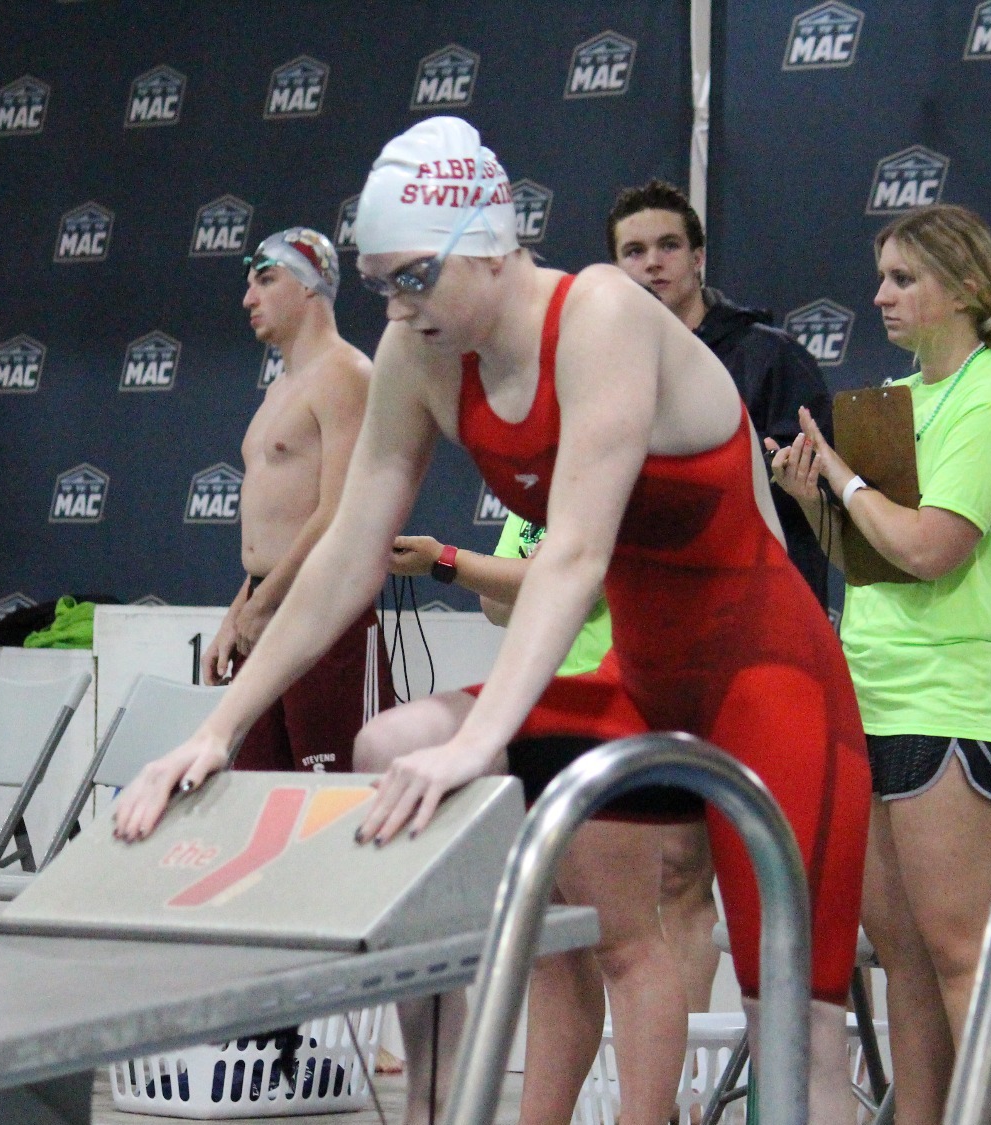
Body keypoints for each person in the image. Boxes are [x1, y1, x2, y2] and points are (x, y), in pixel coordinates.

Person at [115, 118, 870, 1125]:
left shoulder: (599, 313)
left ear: (487, 243)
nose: (397, 307)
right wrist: (216, 726)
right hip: (641, 687)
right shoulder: (419, 352)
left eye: (414, 278)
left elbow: (574, 553)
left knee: (797, 1039)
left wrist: (482, 739)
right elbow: (347, 554)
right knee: (391, 746)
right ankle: (439, 1098)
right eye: (380, 283)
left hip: (768, 684)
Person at [766, 203, 991, 1125]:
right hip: (874, 695)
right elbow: (875, 562)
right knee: (906, 964)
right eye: (881, 276)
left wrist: (844, 477)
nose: (881, 295)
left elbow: (931, 549)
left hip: (955, 702)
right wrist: (816, 500)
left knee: (966, 957)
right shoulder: (896, 397)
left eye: (903, 278)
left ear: (962, 289)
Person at [388, 523, 717, 1125]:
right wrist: (499, 571)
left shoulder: (611, 476)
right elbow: (499, 605)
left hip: (609, 705)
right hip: (535, 703)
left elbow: (574, 578)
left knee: (627, 945)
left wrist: (446, 560)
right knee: (553, 952)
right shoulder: (534, 498)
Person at [204, 226, 392, 769]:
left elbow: (340, 512)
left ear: (311, 285)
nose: (249, 299)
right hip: (267, 605)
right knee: (256, 790)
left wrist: (263, 605)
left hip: (324, 614)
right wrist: (238, 613)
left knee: (337, 793)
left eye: (266, 280)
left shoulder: (346, 374)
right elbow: (280, 529)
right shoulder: (279, 390)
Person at [607, 178, 834, 608]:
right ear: (615, 271)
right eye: (634, 251)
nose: (652, 263)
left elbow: (821, 491)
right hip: (659, 610)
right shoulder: (605, 371)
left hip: (767, 606)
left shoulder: (772, 356)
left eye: (668, 245)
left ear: (698, 258)